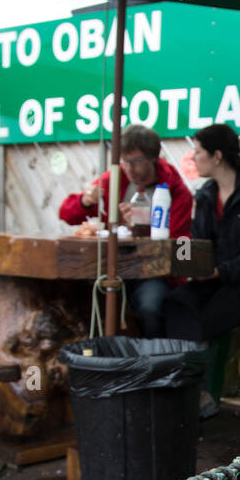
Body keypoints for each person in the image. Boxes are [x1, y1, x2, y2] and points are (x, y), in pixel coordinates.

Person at [164, 124, 240, 418]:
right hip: (215, 281)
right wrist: (185, 260)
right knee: (173, 303)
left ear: (217, 156)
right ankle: (197, 393)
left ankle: (192, 396)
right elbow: (200, 243)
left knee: (199, 319)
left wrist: (220, 271)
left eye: (199, 152)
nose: (193, 157)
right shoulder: (205, 195)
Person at [58, 124, 193, 337]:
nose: (129, 168)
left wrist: (143, 226)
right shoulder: (115, 178)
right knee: (70, 301)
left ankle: (154, 361)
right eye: (124, 160)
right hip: (109, 266)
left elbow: (179, 247)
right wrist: (85, 201)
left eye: (136, 162)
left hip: (151, 273)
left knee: (151, 308)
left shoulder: (176, 191)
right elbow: (66, 214)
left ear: (153, 158)